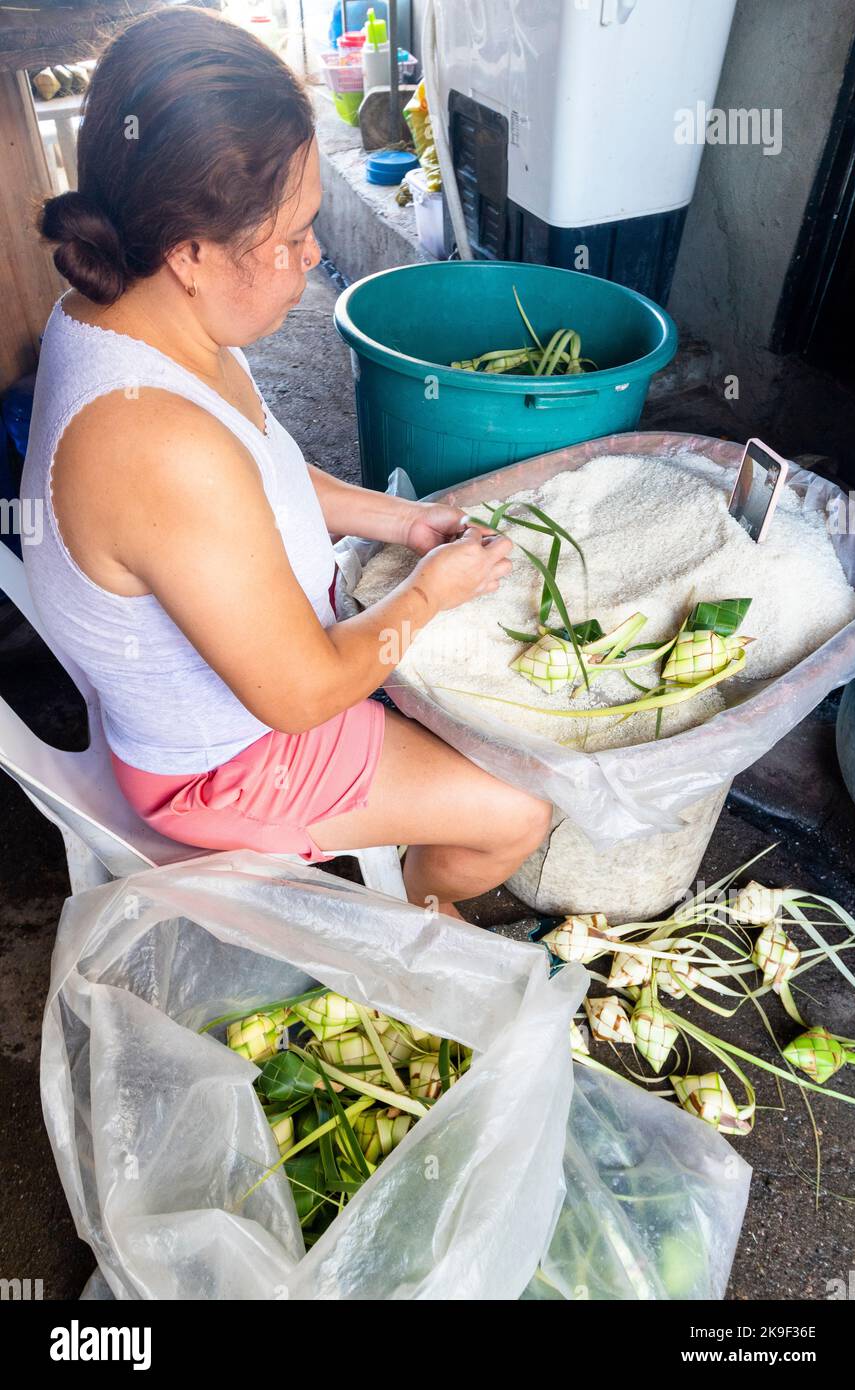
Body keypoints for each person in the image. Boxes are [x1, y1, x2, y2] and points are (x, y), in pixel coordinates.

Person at [22, 7, 551, 919]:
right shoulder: (155, 440)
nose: (312, 256)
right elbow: (301, 694)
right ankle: (425, 930)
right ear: (190, 251)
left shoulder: (126, 307)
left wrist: (402, 525)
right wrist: (424, 592)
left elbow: (258, 476)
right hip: (219, 767)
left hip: (209, 706)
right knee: (516, 812)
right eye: (293, 238)